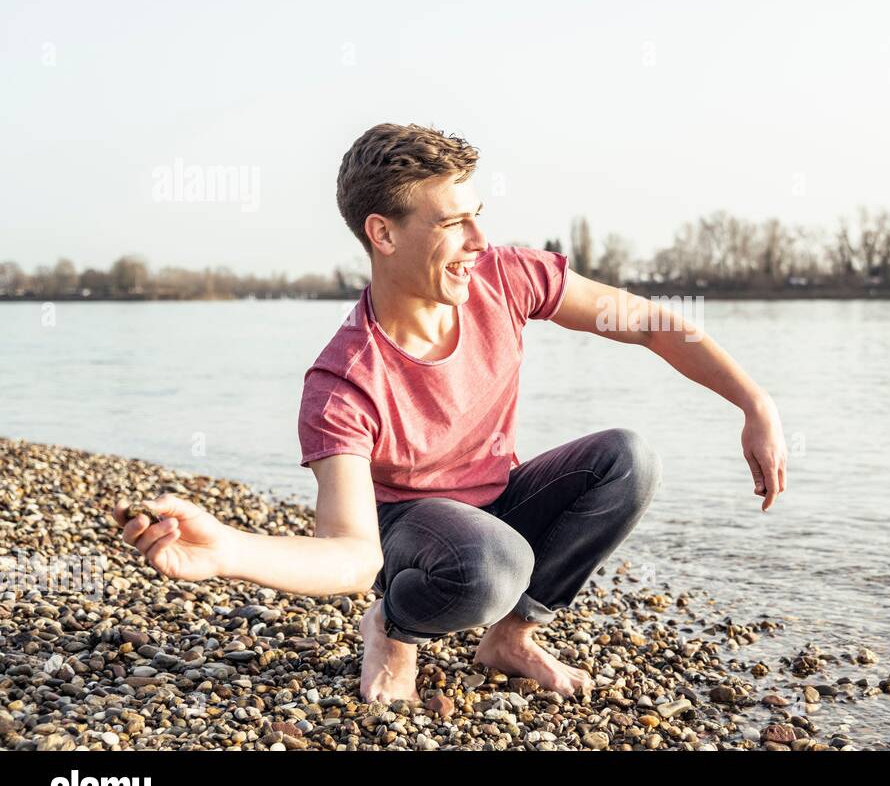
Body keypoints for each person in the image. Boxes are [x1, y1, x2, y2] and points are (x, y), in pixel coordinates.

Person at [115, 122, 788, 704]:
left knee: (627, 460)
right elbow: (350, 556)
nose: (477, 239)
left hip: (497, 501)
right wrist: (229, 549)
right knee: (489, 564)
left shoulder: (504, 277)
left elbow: (644, 321)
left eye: (477, 213)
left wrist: (753, 403)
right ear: (382, 233)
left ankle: (511, 637)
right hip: (412, 534)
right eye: (451, 222)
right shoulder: (342, 383)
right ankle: (396, 628)